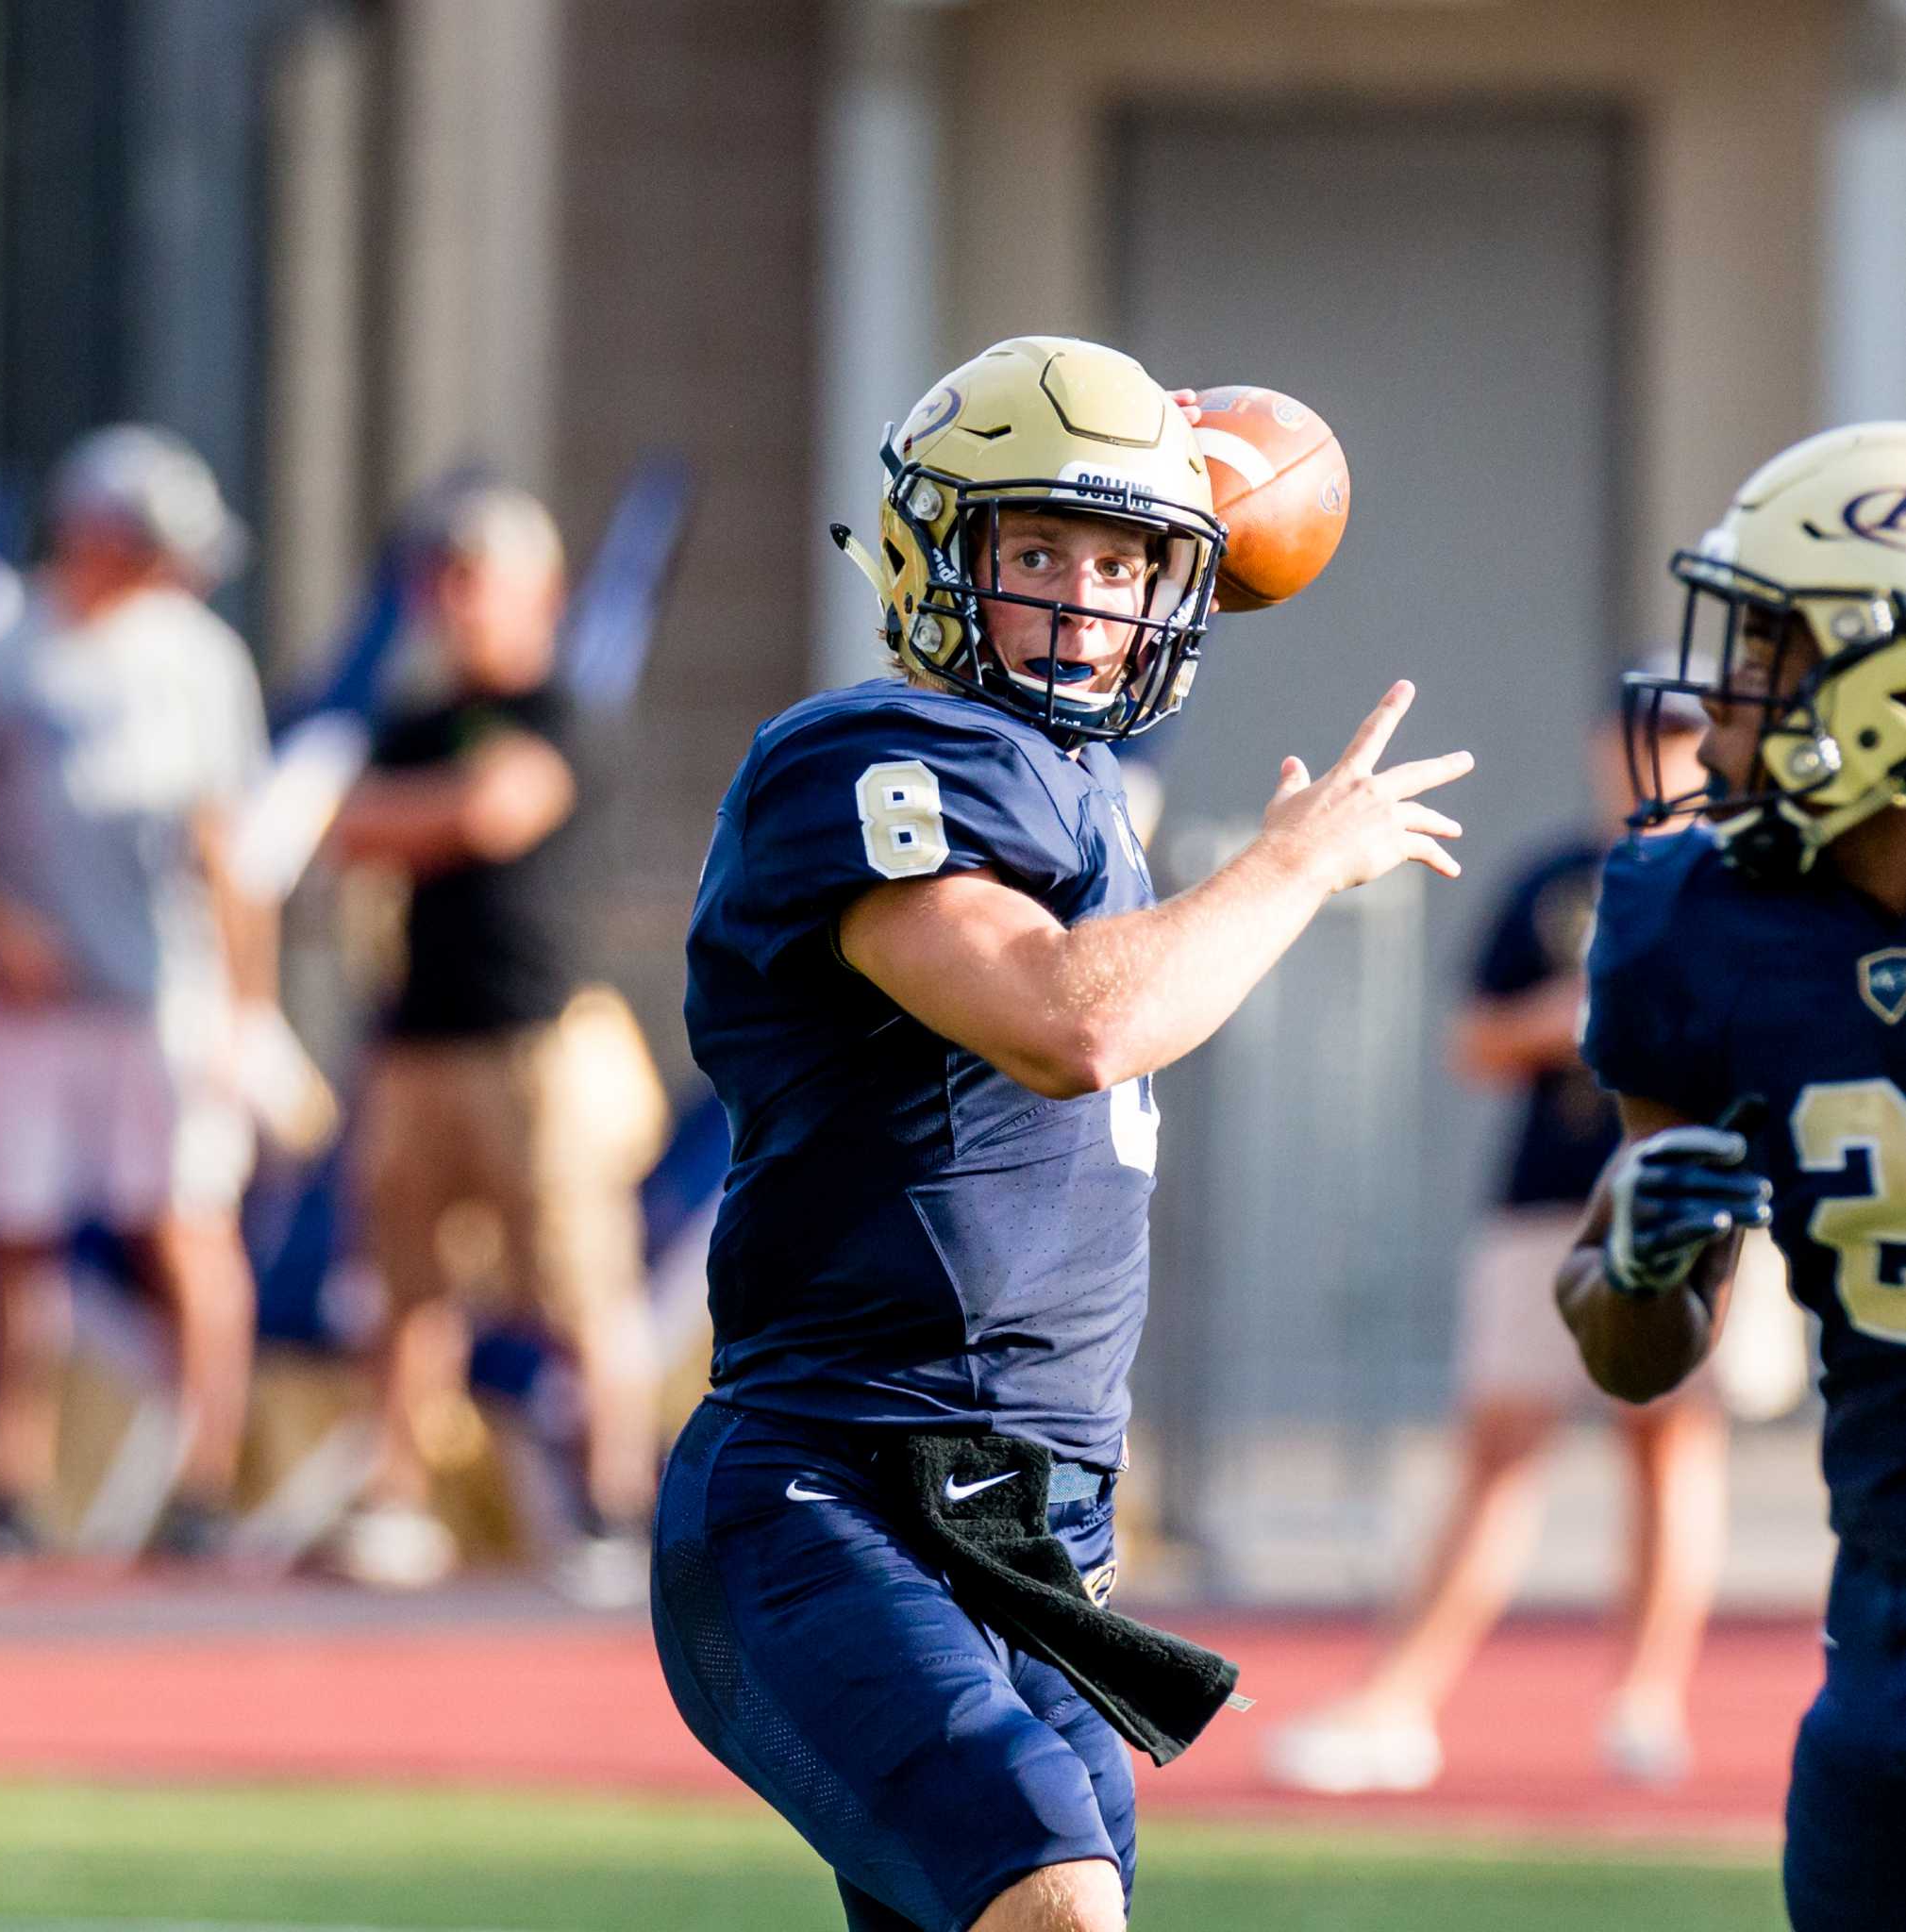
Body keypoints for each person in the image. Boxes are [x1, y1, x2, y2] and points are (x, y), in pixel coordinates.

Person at [652, 335, 1474, 1932]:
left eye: (1123, 559)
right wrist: (1292, 868)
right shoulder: (867, 755)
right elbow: (1068, 1020)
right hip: (835, 1492)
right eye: (1037, 550)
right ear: (931, 550)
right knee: (1050, 1896)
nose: (1085, 600)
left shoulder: (1072, 786)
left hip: (1034, 1530)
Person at [1555, 421, 1906, 1932]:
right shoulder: (1694, 922)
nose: (1710, 706)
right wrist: (1631, 1262)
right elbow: (1637, 1348)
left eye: (1767, 646)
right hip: (1889, 1671)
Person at [1268, 684, 1725, 1793]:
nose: (1657, 755)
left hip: (1693, 1189)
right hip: (1544, 1191)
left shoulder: (1747, 880)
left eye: (1680, 734)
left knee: (1668, 1440)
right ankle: (1399, 1700)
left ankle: (1645, 1704)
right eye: (1640, 733)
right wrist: (1573, 1016)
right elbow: (1472, 1039)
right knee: (1500, 1444)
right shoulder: (1552, 879)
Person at [325, 483, 668, 1601]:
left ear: (540, 592)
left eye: (479, 577)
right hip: (418, 1040)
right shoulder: (414, 717)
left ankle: (610, 1505)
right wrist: (409, 809)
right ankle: (394, 1498)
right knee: (406, 1285)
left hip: (539, 1041)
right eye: (446, 577)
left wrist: (406, 812)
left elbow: (489, 810)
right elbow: (345, 828)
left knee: (580, 1283)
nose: (456, 600)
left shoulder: (568, 707)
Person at [0, 424, 272, 1559]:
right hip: (32, 1004)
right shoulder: (12, 641)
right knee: (17, 1242)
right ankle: (10, 1482)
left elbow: (230, 848)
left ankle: (206, 1483)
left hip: (167, 991)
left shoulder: (199, 657)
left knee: (188, 1229)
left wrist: (247, 1010)